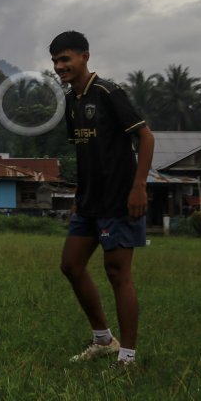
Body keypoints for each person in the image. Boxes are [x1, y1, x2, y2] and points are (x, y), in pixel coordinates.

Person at [50, 31, 155, 367]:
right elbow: (85, 152)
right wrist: (79, 195)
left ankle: (127, 356)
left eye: (65, 59)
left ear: (85, 57)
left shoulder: (108, 92)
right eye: (55, 61)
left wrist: (139, 186)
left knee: (117, 272)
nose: (59, 66)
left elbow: (145, 136)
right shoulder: (71, 101)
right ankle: (103, 340)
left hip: (120, 200)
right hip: (90, 201)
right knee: (71, 265)